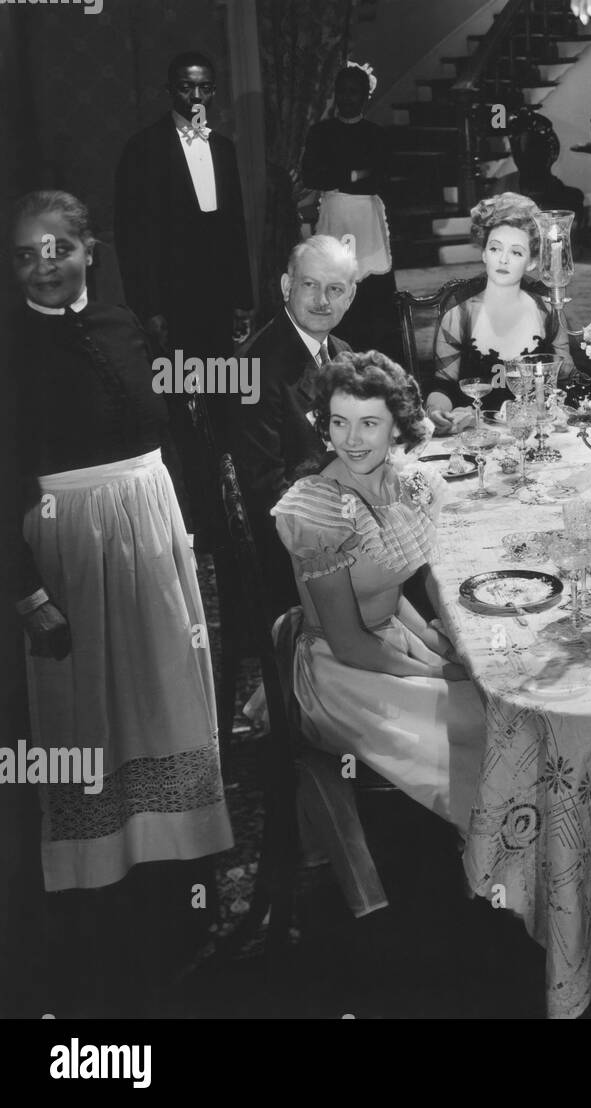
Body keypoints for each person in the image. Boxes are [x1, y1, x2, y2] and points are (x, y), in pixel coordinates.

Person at [9, 190, 233, 895]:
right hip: (64, 542)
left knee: (165, 695)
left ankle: (179, 855)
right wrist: (26, 589)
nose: (43, 269)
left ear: (88, 251)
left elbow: (168, 430)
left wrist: (189, 527)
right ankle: (103, 874)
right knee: (88, 713)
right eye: (25, 257)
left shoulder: (123, 323)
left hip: (151, 525)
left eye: (58, 250)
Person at [271, 351, 485, 912]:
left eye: (369, 423)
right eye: (338, 422)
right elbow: (349, 641)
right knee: (481, 714)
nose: (353, 439)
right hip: (340, 672)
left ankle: (495, 849)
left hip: (385, 641)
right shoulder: (317, 513)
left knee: (488, 687)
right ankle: (489, 857)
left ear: (398, 425)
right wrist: (438, 669)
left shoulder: (403, 483)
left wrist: (438, 641)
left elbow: (386, 591)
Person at [114, 51, 256, 546]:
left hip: (219, 307)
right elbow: (132, 239)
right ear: (170, 90)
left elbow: (235, 228)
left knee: (226, 405)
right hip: (172, 312)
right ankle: (201, 520)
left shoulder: (226, 148)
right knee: (183, 412)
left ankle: (235, 511)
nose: (196, 98)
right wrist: (148, 309)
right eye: (186, 88)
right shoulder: (144, 149)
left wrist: (243, 297)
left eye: (205, 88)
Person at [229, 235, 356, 613]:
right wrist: (348, 524)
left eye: (335, 289)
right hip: (298, 554)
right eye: (309, 285)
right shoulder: (250, 369)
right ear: (287, 286)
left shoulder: (342, 351)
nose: (322, 300)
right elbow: (265, 488)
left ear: (351, 296)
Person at [426, 192, 572, 433]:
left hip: (537, 437)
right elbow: (442, 386)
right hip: (477, 438)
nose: (503, 260)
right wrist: (436, 412)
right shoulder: (458, 316)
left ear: (532, 262)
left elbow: (567, 379)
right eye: (495, 249)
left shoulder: (548, 312)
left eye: (516, 252)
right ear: (484, 253)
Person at [301, 60, 401, 360]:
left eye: (354, 92)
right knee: (335, 283)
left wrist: (340, 175)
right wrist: (356, 174)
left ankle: (376, 359)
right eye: (342, 91)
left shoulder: (376, 134)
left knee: (372, 293)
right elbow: (313, 176)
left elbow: (381, 178)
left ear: (365, 96)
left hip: (366, 220)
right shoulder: (321, 133)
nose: (347, 98)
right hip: (334, 216)